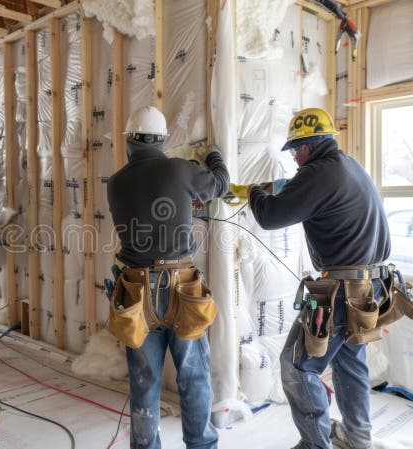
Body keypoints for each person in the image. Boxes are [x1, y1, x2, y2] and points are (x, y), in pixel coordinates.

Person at [246, 108, 391, 449]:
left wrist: (252, 191)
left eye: (295, 150)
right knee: (349, 362)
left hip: (341, 290)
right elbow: (301, 189)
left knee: (296, 367)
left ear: (308, 147)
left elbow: (269, 216)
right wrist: (278, 187)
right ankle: (358, 439)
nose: (294, 158)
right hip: (371, 285)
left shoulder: (317, 173)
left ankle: (316, 444)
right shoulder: (347, 166)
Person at [106, 106, 229, 449]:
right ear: (161, 142)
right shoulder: (181, 170)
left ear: (130, 141)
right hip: (182, 288)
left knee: (144, 382)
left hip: (135, 293)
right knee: (194, 377)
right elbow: (221, 184)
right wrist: (212, 156)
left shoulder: (115, 183)